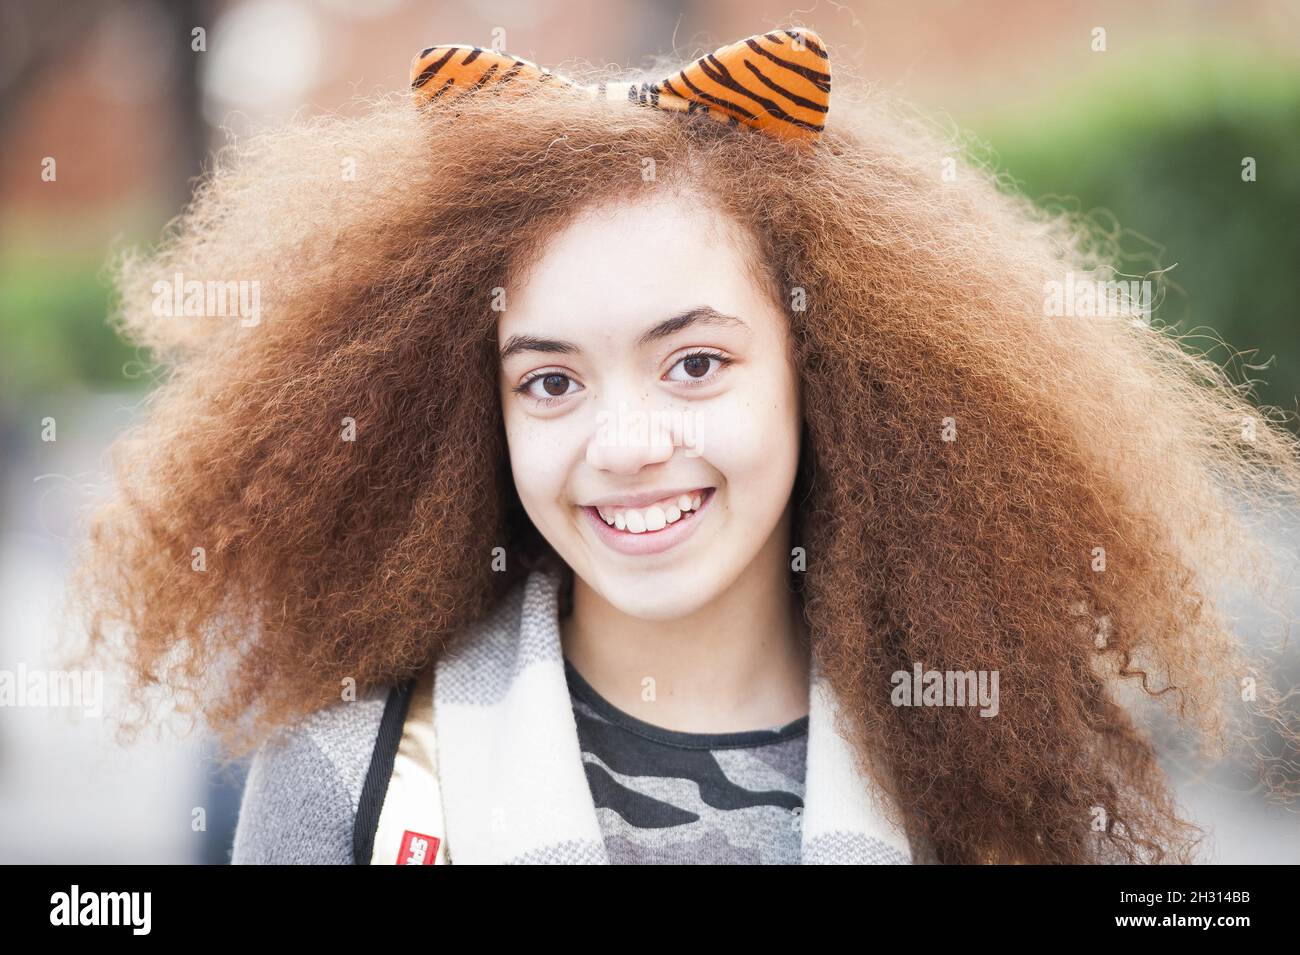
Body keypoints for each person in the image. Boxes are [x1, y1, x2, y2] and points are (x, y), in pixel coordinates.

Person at [67, 27, 1300, 864]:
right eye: (548, 380)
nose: (628, 441)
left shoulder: (998, 767)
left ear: (829, 374)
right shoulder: (346, 776)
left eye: (695, 363)